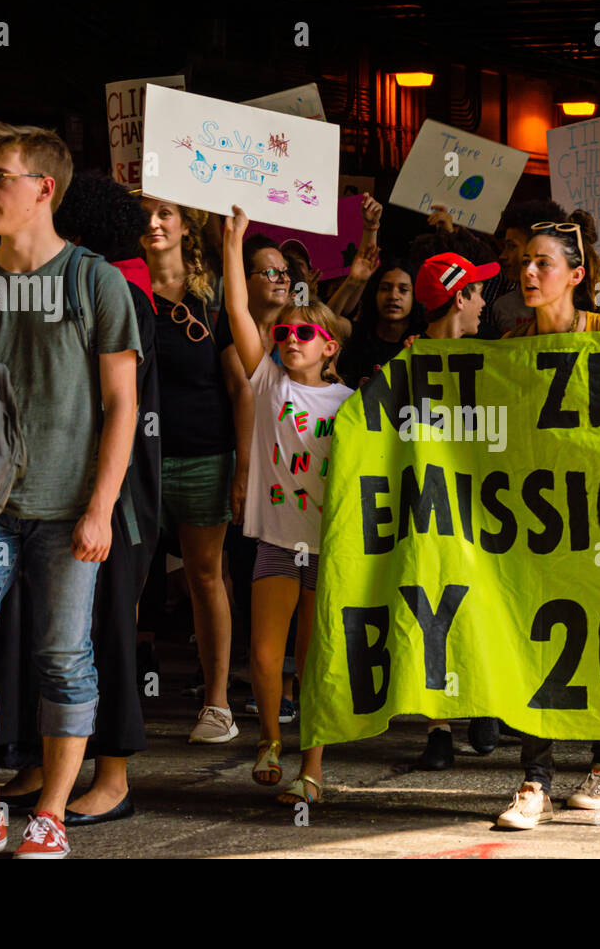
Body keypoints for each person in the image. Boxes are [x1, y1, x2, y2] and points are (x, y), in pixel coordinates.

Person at [0, 123, 141, 859]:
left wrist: (101, 506)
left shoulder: (95, 279)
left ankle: (49, 815)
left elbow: (122, 406)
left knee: (63, 658)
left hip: (68, 508)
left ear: (42, 189)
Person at [497, 220, 600, 830]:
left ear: (578, 276)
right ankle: (533, 782)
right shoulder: (509, 345)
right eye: (524, 263)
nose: (529, 274)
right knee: (537, 641)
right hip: (538, 521)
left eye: (544, 264)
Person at [224, 204, 352, 807]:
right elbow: (237, 312)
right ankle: (270, 740)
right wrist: (233, 243)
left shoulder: (351, 403)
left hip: (327, 547)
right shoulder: (268, 381)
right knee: (265, 654)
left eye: (304, 334)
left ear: (329, 346)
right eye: (283, 333)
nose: (289, 339)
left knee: (315, 659)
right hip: (277, 540)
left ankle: (314, 767)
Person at [140, 195, 252, 746]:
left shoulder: (211, 301)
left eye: (165, 213)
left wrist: (243, 470)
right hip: (137, 461)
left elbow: (241, 386)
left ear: (186, 225)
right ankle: (113, 701)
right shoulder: (125, 291)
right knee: (127, 581)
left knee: (205, 576)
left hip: (205, 456)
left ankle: (217, 705)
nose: (153, 223)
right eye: (145, 214)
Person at [403, 248, 505, 768]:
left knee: (468, 601)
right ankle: (440, 723)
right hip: (431, 507)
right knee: (434, 606)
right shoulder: (405, 361)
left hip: (477, 504)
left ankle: (480, 702)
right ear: (459, 295)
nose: (484, 300)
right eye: (478, 290)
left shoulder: (490, 358)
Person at [335, 257, 422, 388]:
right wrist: (352, 281)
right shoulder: (355, 333)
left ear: (415, 296)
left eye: (403, 290)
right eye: (385, 289)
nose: (393, 296)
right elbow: (320, 323)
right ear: (374, 293)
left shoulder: (420, 341)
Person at [490, 199, 567, 337]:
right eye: (505, 246)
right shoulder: (502, 307)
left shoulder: (577, 302)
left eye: (511, 246)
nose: (503, 256)